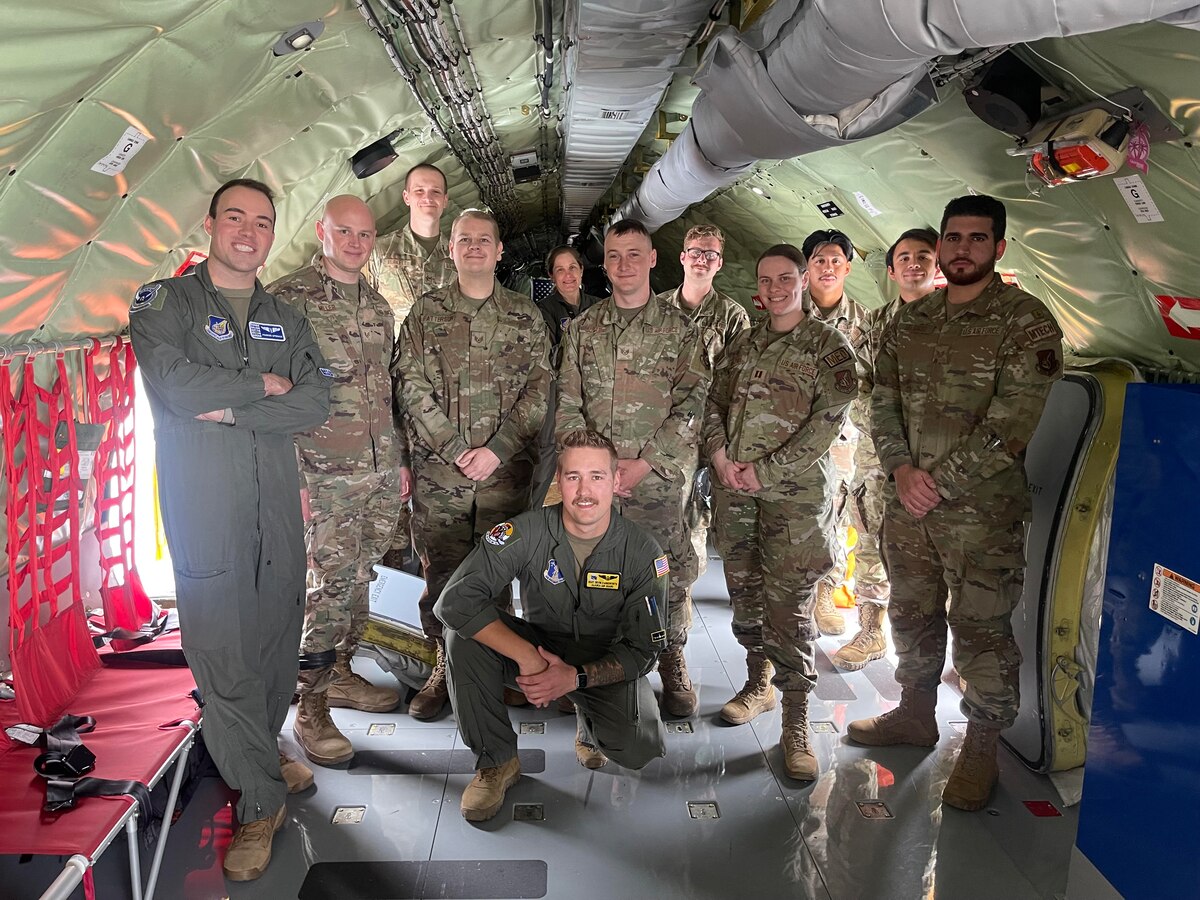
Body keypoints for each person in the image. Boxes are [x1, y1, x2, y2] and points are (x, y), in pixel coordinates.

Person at [128, 179, 332, 881]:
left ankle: (261, 751)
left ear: (274, 234)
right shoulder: (164, 302)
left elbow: (314, 402)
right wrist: (257, 386)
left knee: (277, 631)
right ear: (210, 223)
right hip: (205, 501)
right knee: (221, 647)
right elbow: (175, 384)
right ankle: (258, 801)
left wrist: (234, 409)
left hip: (275, 501)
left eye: (263, 222)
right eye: (235, 218)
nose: (249, 232)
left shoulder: (285, 316)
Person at [848, 195, 1064, 812]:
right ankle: (915, 713)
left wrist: (935, 482)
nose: (962, 247)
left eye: (977, 238)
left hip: (981, 517)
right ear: (941, 247)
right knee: (911, 613)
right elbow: (880, 398)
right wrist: (899, 467)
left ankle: (982, 746)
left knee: (982, 629)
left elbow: (1011, 422)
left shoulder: (1026, 323)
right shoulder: (910, 321)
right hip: (908, 504)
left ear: (998, 248)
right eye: (954, 237)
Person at [435, 430, 669, 821]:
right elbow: (454, 601)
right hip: (540, 645)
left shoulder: (643, 552)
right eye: (573, 476)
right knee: (462, 634)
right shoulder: (525, 531)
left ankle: (587, 717)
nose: (584, 490)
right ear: (558, 481)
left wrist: (573, 679)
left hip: (601, 660)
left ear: (615, 482)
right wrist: (528, 657)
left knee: (637, 748)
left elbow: (644, 651)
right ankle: (498, 762)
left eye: (596, 476)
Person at [704, 244, 858, 780]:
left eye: (785, 278)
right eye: (766, 279)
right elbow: (713, 404)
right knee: (745, 592)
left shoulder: (827, 347)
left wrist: (763, 472)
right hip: (735, 492)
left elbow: (826, 423)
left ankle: (796, 719)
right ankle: (758, 683)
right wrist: (721, 457)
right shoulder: (742, 343)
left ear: (803, 280)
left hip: (794, 500)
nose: (775, 288)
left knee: (789, 604)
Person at [393, 208, 551, 720]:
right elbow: (409, 384)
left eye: (485, 240)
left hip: (505, 479)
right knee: (441, 575)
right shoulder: (426, 312)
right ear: (452, 249)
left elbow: (540, 390)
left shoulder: (525, 316)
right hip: (442, 479)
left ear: (500, 250)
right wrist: (454, 448)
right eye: (465, 240)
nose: (476, 247)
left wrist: (496, 450)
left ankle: (498, 669)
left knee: (498, 577)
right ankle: (445, 665)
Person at [267, 195, 408, 766]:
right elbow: (271, 390)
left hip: (376, 471)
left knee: (359, 577)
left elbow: (385, 391)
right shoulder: (287, 301)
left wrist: (397, 460)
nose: (355, 242)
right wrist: (292, 475)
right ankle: (310, 706)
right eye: (344, 231)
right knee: (324, 589)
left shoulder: (377, 306)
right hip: (321, 474)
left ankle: (341, 672)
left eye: (365, 234)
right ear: (321, 232)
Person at [557, 218, 708, 718]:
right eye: (615, 255)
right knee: (594, 576)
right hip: (593, 489)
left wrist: (646, 463)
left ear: (653, 260)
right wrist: (592, 472)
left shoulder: (680, 331)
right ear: (605, 262)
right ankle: (598, 669)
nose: (624, 264)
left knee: (664, 574)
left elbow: (693, 403)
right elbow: (567, 403)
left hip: (657, 485)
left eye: (634, 254)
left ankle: (670, 657)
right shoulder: (583, 331)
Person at [831, 227, 940, 671]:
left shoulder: (958, 326)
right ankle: (872, 629)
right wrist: (892, 437)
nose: (914, 264)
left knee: (939, 551)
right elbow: (857, 389)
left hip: (938, 462)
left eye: (924, 256)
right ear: (892, 270)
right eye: (906, 258)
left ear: (939, 266)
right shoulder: (874, 326)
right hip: (879, 459)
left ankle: (945, 649)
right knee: (874, 540)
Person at [374, 163, 457, 573]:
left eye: (435, 191)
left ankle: (436, 592)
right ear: (406, 197)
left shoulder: (459, 254)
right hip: (389, 394)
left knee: (439, 506)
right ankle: (390, 595)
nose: (428, 197)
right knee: (391, 503)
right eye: (419, 190)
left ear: (445, 199)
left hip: (444, 397)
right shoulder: (377, 252)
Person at [656, 224, 752, 567]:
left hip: (706, 433)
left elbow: (735, 387)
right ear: (682, 257)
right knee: (655, 517)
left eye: (710, 254)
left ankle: (681, 603)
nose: (702, 259)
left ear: (719, 263)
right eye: (696, 252)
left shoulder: (733, 317)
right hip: (660, 433)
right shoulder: (656, 309)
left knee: (695, 522)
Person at [800, 228, 873, 639]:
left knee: (838, 513)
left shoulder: (866, 322)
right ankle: (799, 592)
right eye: (818, 261)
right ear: (807, 268)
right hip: (793, 434)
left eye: (834, 261)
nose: (827, 268)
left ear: (847, 267)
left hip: (843, 438)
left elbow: (876, 382)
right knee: (798, 516)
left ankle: (826, 590)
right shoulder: (787, 312)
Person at [529, 245, 601, 507]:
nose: (568, 275)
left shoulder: (599, 306)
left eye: (572, 267)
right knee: (548, 448)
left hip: (595, 390)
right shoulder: (542, 311)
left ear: (582, 271)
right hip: (558, 387)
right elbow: (547, 355)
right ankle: (533, 510)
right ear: (552, 277)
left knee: (595, 446)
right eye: (560, 270)